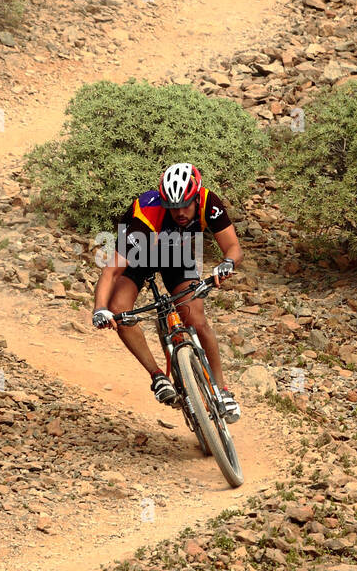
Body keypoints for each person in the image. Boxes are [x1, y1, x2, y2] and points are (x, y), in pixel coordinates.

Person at [92, 162, 243, 421]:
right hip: (140, 255)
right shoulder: (145, 214)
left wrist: (226, 264)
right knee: (119, 309)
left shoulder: (209, 202)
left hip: (177, 253)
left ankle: (221, 390)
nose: (180, 212)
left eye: (185, 205)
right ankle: (157, 376)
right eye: (173, 207)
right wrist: (99, 309)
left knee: (195, 318)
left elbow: (234, 248)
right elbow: (111, 271)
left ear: (196, 197)